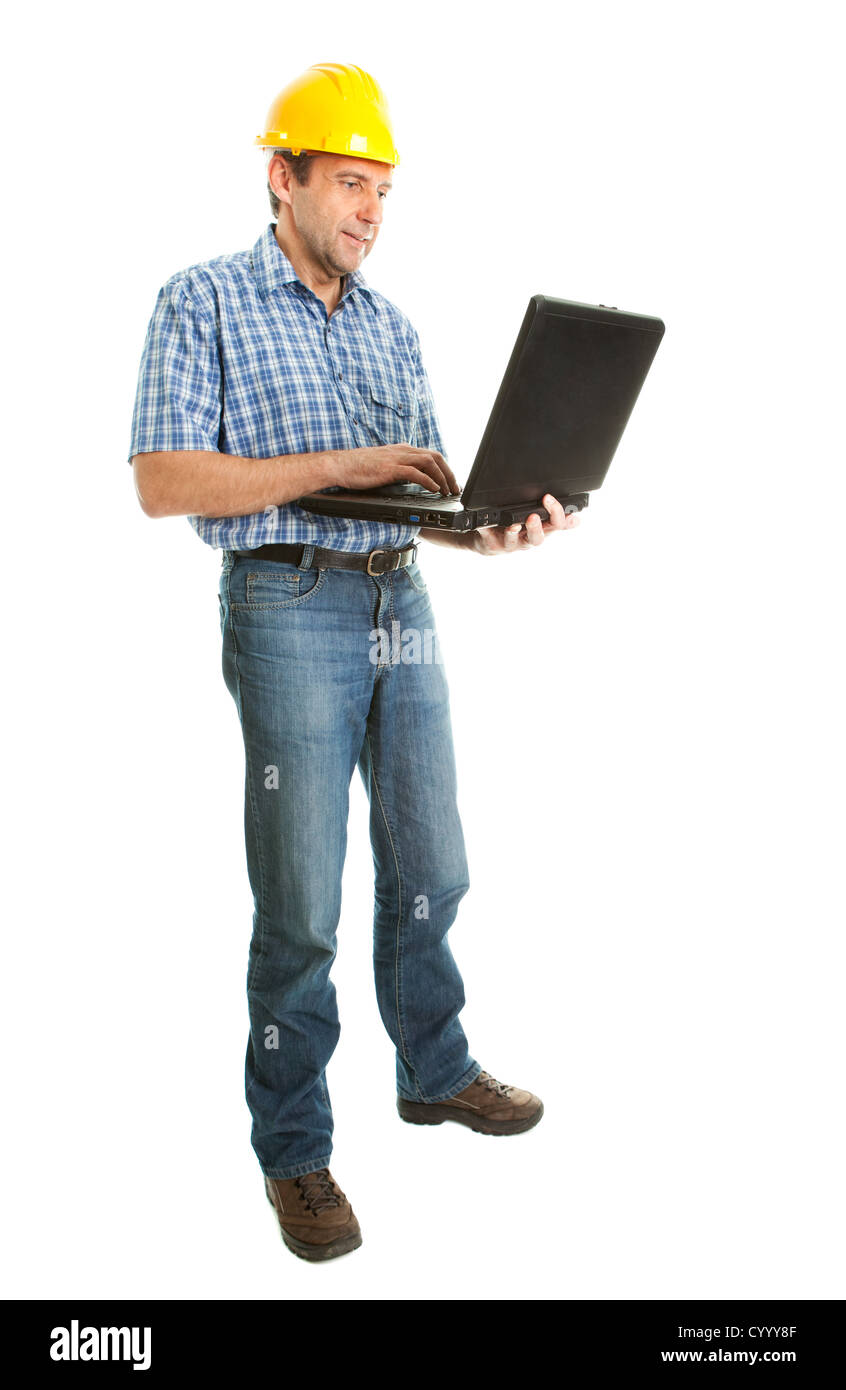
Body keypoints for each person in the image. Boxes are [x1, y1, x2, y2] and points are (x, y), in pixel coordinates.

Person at [128, 62, 579, 1263]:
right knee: (302, 905)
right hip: (287, 605)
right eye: (347, 185)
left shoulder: (394, 323)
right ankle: (295, 1149)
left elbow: (414, 502)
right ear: (282, 179)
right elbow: (164, 480)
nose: (369, 213)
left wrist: (498, 525)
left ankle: (433, 1069)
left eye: (382, 191)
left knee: (434, 861)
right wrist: (345, 465)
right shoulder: (204, 300)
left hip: (403, 595)